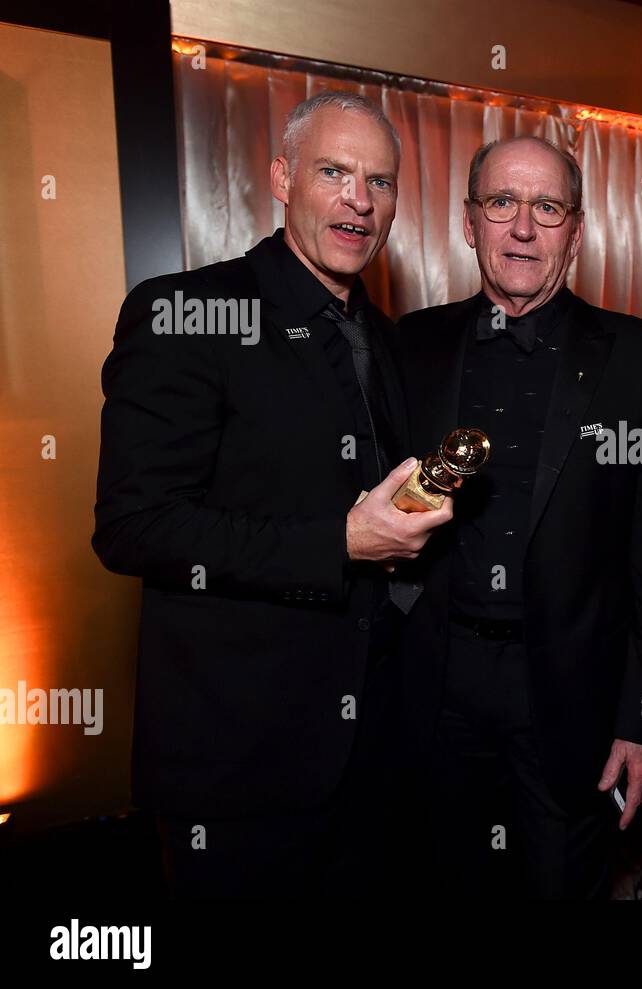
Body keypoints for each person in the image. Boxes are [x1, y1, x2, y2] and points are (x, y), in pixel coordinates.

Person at [92, 91, 451, 896]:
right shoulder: (188, 312)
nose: (360, 199)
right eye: (335, 171)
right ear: (282, 177)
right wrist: (339, 543)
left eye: (382, 182)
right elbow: (133, 525)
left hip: (373, 764)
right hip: (238, 772)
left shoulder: (388, 341)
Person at [396, 136, 642, 899]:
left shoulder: (638, 357)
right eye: (502, 203)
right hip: (437, 689)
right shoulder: (410, 345)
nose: (523, 227)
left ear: (576, 232)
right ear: (468, 221)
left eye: (547, 208)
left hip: (571, 698)